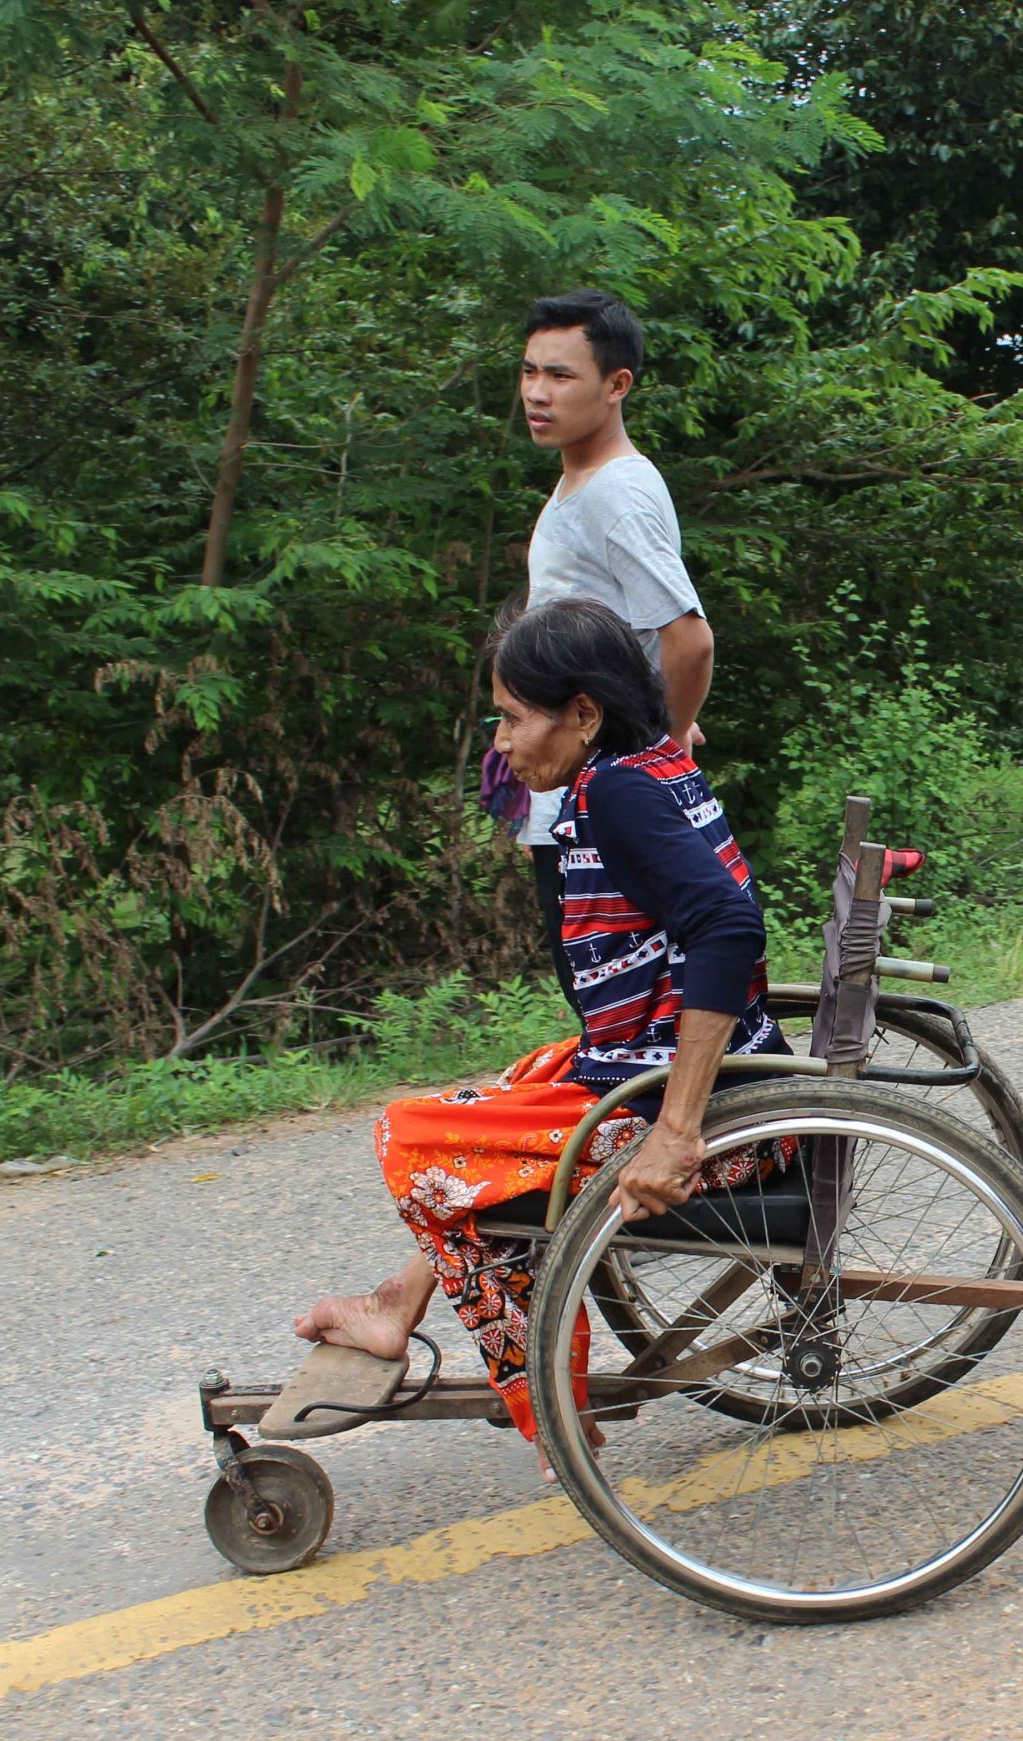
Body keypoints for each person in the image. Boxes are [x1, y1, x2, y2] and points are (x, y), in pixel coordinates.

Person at [300, 600, 786, 1470]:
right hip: (694, 1072)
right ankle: (397, 1301)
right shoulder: (652, 760)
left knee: (409, 1137)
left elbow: (727, 926)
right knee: (509, 1086)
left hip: (707, 1115)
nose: (501, 743)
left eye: (513, 718)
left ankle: (547, 1388)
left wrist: (678, 1131)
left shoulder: (619, 793)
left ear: (584, 713)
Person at [479, 288, 715, 1009]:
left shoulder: (616, 494)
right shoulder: (580, 480)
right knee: (623, 1011)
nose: (536, 393)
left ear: (617, 385)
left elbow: (688, 638)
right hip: (572, 789)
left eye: (561, 375)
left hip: (602, 798)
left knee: (620, 1014)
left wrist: (663, 746)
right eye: (529, 372)